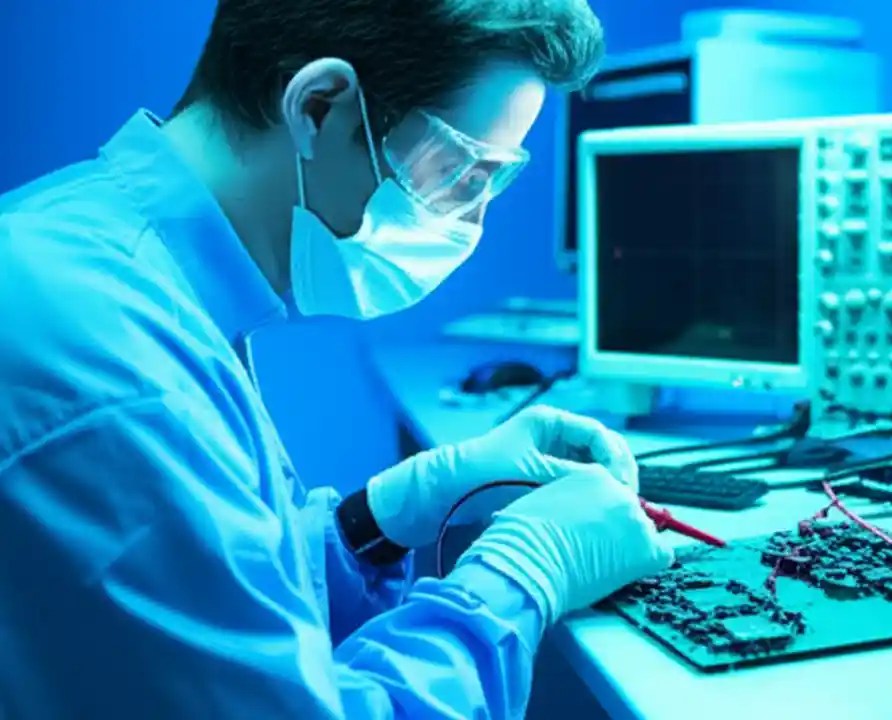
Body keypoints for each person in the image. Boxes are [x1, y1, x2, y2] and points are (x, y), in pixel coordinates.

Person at [0, 1, 674, 717]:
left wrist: (377, 521)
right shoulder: (117, 373)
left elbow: (210, 599)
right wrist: (521, 575)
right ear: (318, 107)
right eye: (458, 172)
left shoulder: (101, 252)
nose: (468, 222)